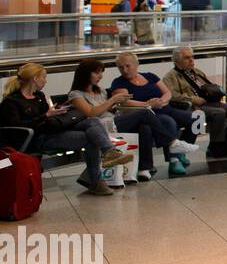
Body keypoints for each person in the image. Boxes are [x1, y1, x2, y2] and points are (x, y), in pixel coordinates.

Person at [1, 63, 131, 196]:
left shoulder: (39, 96)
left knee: (93, 121)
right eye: (44, 77)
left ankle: (108, 153)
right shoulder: (12, 102)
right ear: (35, 79)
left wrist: (56, 113)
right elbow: (18, 128)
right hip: (37, 138)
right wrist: (45, 116)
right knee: (91, 137)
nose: (45, 81)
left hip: (52, 130)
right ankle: (97, 178)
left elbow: (48, 119)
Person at [68, 58, 197, 182]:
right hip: (100, 127)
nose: (100, 76)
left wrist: (119, 104)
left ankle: (144, 168)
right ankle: (172, 143)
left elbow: (110, 110)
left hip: (114, 121)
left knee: (144, 127)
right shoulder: (75, 94)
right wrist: (113, 99)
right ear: (85, 74)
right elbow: (91, 113)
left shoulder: (100, 91)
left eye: (101, 72)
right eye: (97, 73)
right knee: (145, 113)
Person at [111, 52, 201, 175]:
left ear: (136, 64)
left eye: (127, 66)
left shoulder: (150, 76)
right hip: (150, 114)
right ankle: (173, 159)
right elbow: (125, 102)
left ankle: (180, 151)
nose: (124, 70)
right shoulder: (119, 82)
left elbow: (167, 92)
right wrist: (148, 104)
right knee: (169, 123)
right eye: (121, 67)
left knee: (197, 118)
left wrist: (162, 101)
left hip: (165, 108)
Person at [162, 47, 227, 155]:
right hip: (194, 106)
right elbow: (172, 95)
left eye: (192, 57)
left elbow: (208, 86)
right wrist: (192, 99)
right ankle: (215, 146)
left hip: (209, 102)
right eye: (187, 58)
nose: (191, 60)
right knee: (219, 113)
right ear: (177, 60)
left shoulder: (197, 72)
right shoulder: (170, 77)